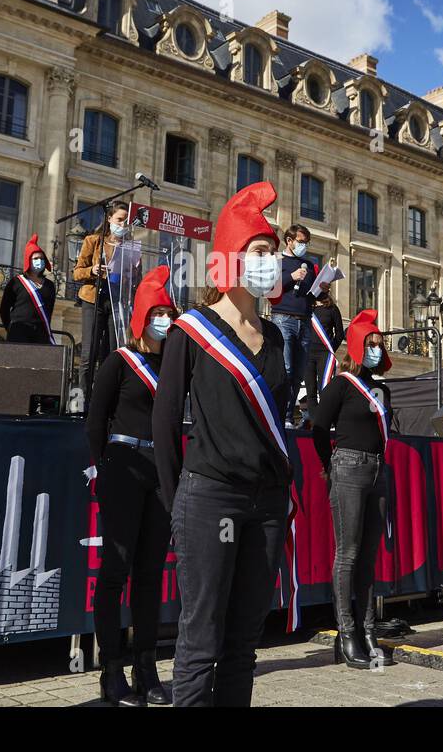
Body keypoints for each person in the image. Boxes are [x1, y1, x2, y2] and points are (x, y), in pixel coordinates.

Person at [152, 181, 291, 707]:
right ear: (233, 259)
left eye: (273, 254)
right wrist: (176, 502)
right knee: (200, 639)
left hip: (268, 503)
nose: (270, 263)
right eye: (260, 252)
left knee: (243, 644)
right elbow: (164, 425)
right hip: (210, 497)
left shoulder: (276, 337)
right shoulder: (192, 330)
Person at [85, 265, 177, 706]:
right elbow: (95, 419)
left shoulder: (173, 367)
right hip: (123, 465)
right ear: (142, 319)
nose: (164, 320)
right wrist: (101, 467)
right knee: (115, 571)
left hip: (159, 470)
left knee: (149, 575)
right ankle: (111, 668)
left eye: (168, 313)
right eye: (157, 313)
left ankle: (147, 666)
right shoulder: (119, 362)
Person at [311, 309, 393, 668]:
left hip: (378, 469)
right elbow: (317, 426)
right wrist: (328, 464)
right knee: (348, 553)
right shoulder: (342, 384)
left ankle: (368, 630)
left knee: (369, 556)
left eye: (380, 344)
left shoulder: (383, 389)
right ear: (358, 347)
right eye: (371, 344)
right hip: (348, 465)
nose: (376, 349)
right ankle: (346, 634)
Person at [73, 202, 138, 394]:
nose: (123, 225)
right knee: (89, 353)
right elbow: (76, 273)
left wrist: (134, 270)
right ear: (109, 219)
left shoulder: (130, 247)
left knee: (111, 353)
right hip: (94, 299)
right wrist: (92, 270)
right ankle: (83, 398)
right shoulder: (93, 241)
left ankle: (105, 398)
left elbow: (136, 279)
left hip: (116, 301)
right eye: (119, 220)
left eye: (126, 221)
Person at [270, 225, 322, 424]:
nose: (304, 245)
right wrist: (291, 277)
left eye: (306, 242)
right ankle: (279, 415)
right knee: (286, 369)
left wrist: (322, 288)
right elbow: (268, 287)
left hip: (305, 321)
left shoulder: (308, 265)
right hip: (283, 318)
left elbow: (314, 294)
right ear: (289, 241)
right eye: (300, 241)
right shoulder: (276, 260)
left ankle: (288, 416)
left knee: (298, 373)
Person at [0, 233, 56, 344]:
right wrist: (10, 328)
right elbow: (4, 309)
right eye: (36, 258)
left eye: (41, 258)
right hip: (19, 330)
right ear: (28, 260)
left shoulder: (50, 285)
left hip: (41, 333)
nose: (39, 261)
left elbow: (49, 311)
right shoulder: (16, 282)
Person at [302, 285, 343, 425]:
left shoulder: (332, 309)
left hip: (324, 354)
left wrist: (331, 349)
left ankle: (327, 420)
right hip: (308, 354)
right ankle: (315, 422)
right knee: (310, 390)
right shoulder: (308, 308)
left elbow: (340, 334)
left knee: (324, 390)